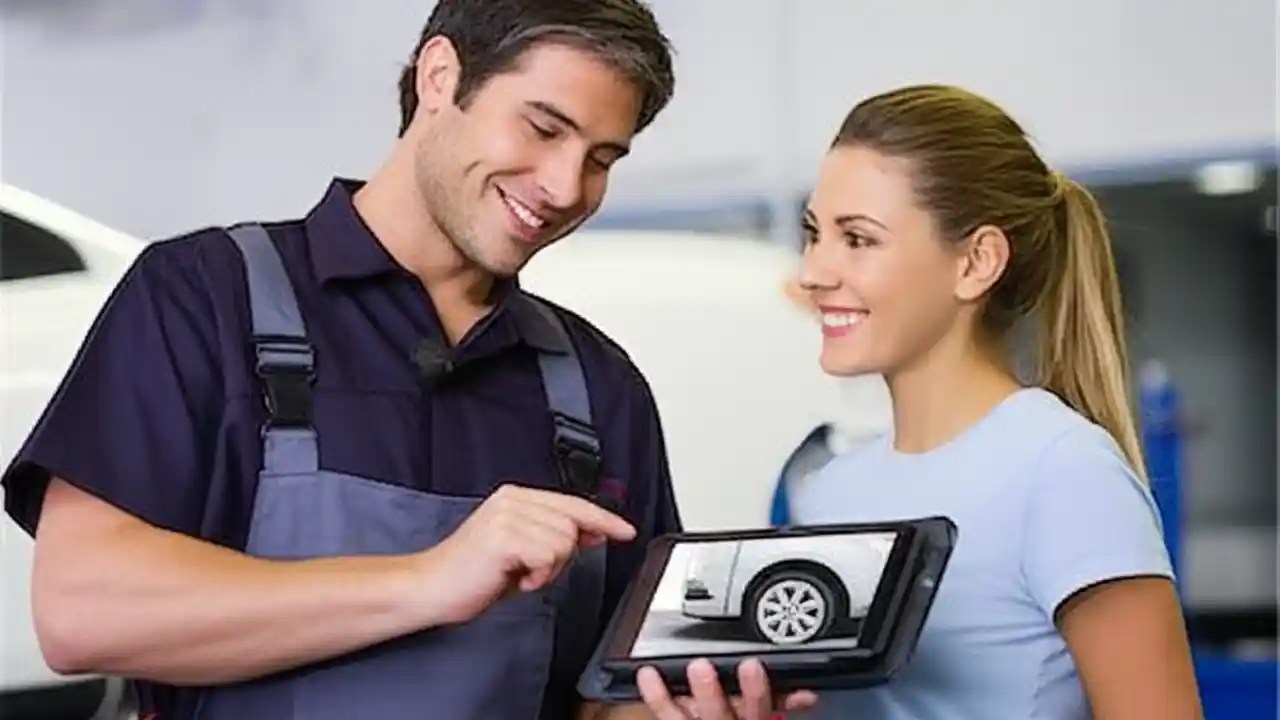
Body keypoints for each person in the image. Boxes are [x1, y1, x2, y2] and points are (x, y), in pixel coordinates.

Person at [1, 2, 814, 718]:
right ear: (438, 77)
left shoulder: (602, 390)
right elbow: (82, 611)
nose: (567, 186)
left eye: (602, 158)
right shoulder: (201, 298)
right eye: (543, 127)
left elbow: (596, 701)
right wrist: (429, 581)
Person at [787, 84, 1205, 719]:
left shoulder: (1063, 472)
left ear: (976, 262)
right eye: (814, 234)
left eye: (858, 239)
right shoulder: (828, 493)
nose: (814, 272)